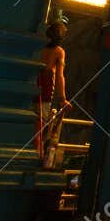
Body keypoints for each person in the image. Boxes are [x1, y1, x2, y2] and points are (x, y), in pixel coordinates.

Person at [37, 19, 68, 168]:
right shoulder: (59, 51)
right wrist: (63, 98)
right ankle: (39, 156)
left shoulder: (39, 48)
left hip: (33, 86)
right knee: (42, 125)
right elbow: (60, 76)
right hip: (46, 90)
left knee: (35, 122)